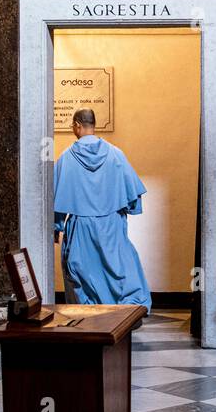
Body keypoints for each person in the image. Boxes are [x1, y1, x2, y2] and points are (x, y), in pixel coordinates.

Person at [53, 109, 151, 311]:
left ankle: (89, 318)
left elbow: (57, 196)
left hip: (81, 226)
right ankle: (120, 315)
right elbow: (133, 194)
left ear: (77, 125)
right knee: (116, 267)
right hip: (111, 223)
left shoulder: (66, 157)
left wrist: (57, 226)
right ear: (93, 125)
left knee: (83, 273)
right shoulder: (116, 154)